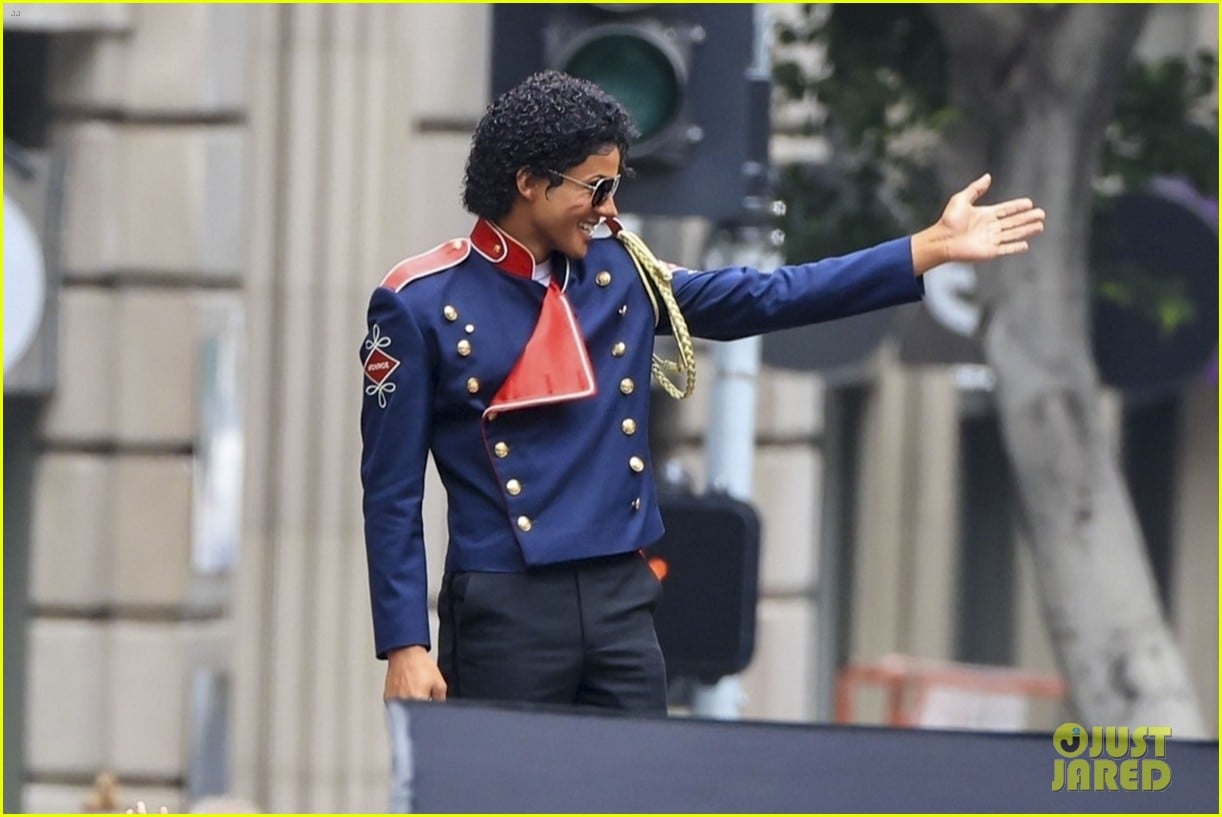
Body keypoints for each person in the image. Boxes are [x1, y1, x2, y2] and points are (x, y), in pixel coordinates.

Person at [360, 70, 1044, 714]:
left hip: (619, 598)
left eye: (615, 185)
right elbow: (392, 492)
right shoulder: (419, 301)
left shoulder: (623, 274)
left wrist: (926, 248)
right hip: (503, 604)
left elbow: (768, 295)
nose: (610, 208)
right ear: (529, 182)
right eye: (595, 188)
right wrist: (405, 643)